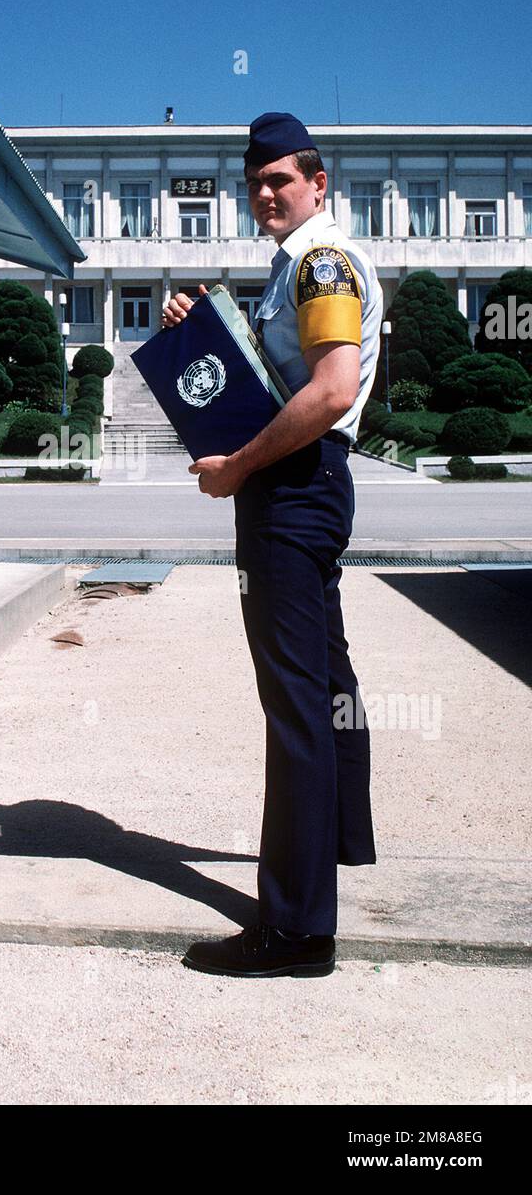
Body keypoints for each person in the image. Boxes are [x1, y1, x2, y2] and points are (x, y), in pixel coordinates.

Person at [161, 111, 383, 979]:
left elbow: (329, 391)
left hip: (293, 489)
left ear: (318, 184)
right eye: (254, 183)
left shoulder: (323, 262)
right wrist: (197, 323)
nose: (263, 195)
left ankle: (295, 930)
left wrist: (237, 468)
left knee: (294, 706)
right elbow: (271, 378)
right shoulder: (294, 267)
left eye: (280, 181)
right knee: (328, 686)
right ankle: (334, 850)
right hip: (308, 486)